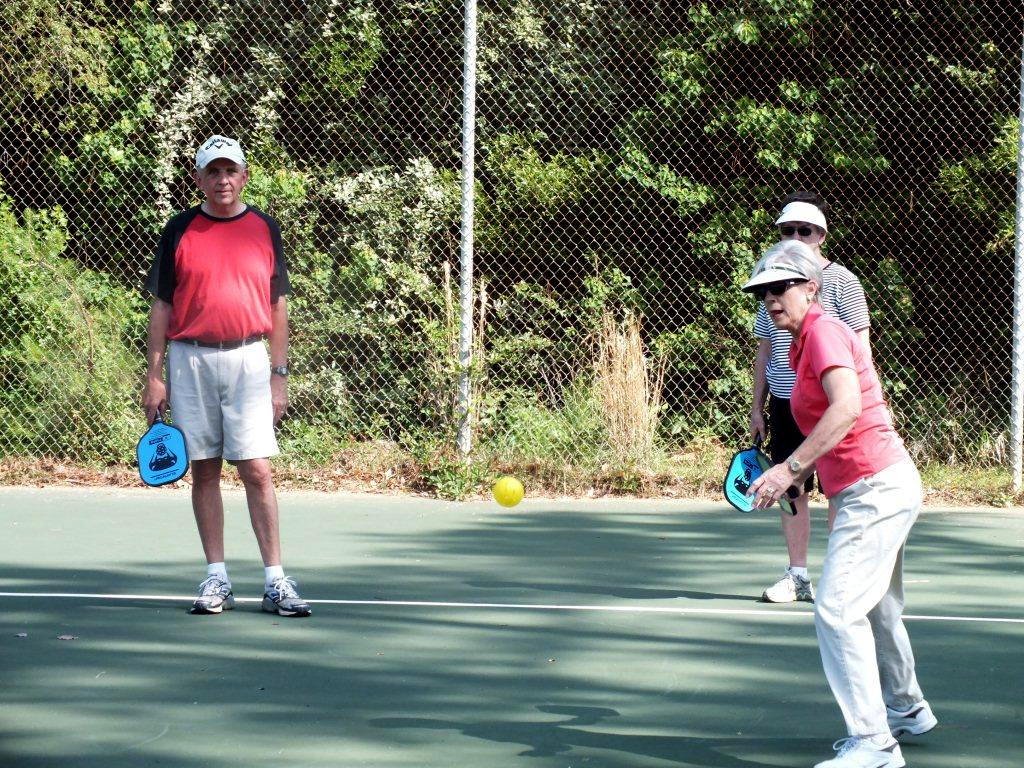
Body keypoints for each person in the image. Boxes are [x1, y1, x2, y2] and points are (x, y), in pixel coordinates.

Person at [744, 241, 936, 768]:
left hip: (876, 488)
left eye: (780, 287)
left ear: (811, 286)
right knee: (877, 606)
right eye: (763, 290)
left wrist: (788, 469)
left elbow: (848, 408)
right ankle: (908, 710)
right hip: (873, 485)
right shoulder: (799, 341)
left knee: (835, 608)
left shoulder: (824, 332)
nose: (770, 298)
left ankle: (874, 744)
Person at [142, 135, 311, 618]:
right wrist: (155, 377)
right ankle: (216, 577)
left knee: (256, 469)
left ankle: (276, 582)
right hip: (189, 359)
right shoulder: (179, 230)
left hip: (248, 361)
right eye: (212, 172)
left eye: (230, 170)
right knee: (206, 468)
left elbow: (278, 307)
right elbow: (161, 308)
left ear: (244, 176)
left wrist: (279, 375)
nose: (222, 180)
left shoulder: (264, 227)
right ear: (198, 179)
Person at [750, 191, 871, 603]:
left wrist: (865, 404)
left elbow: (860, 352)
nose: (796, 236)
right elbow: (765, 348)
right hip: (786, 403)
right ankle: (798, 575)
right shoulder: (771, 279)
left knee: (840, 487)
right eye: (788, 230)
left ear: (821, 235)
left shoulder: (843, 282)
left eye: (805, 230)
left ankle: (841, 576)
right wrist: (757, 408)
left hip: (830, 408)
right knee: (791, 489)